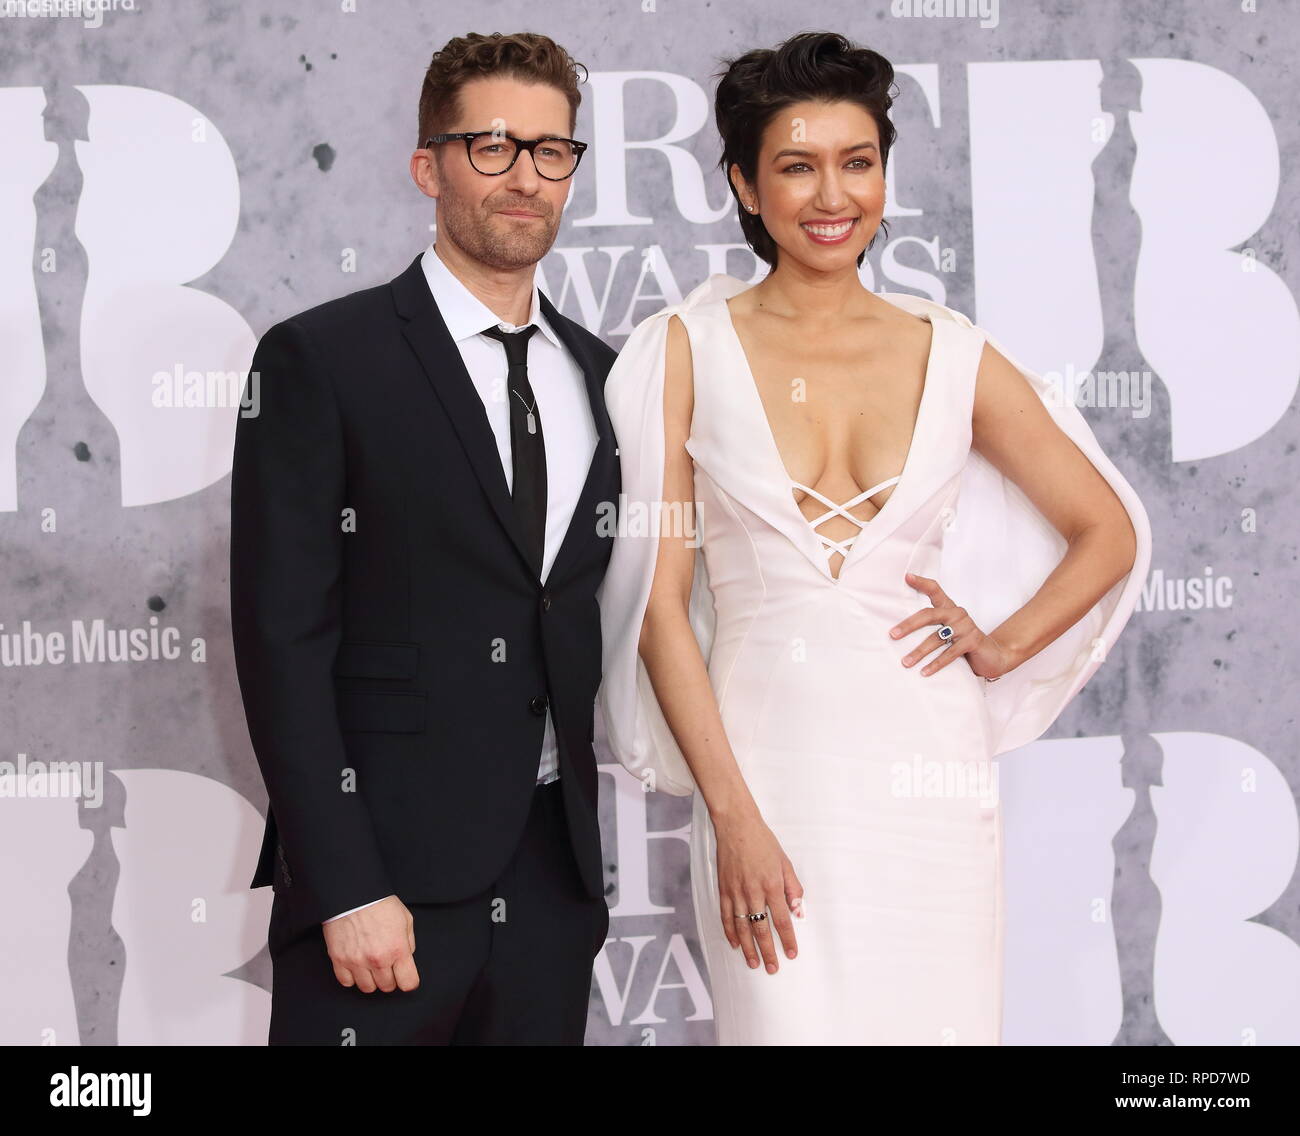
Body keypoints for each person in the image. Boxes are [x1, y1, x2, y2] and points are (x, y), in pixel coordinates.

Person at [597, 31, 1151, 1045]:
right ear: (744, 185)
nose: (830, 195)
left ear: (884, 174)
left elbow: (1106, 531)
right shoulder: (684, 348)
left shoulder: (949, 350)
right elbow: (658, 612)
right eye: (797, 166)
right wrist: (734, 817)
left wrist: (1004, 640)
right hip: (768, 772)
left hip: (927, 780)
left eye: (856, 163)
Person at [231, 31, 617, 1045]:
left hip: (551, 884)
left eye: (550, 149)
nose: (524, 174)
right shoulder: (322, 357)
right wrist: (343, 884)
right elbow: (282, 641)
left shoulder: (605, 374)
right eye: (490, 146)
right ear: (427, 166)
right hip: (381, 886)